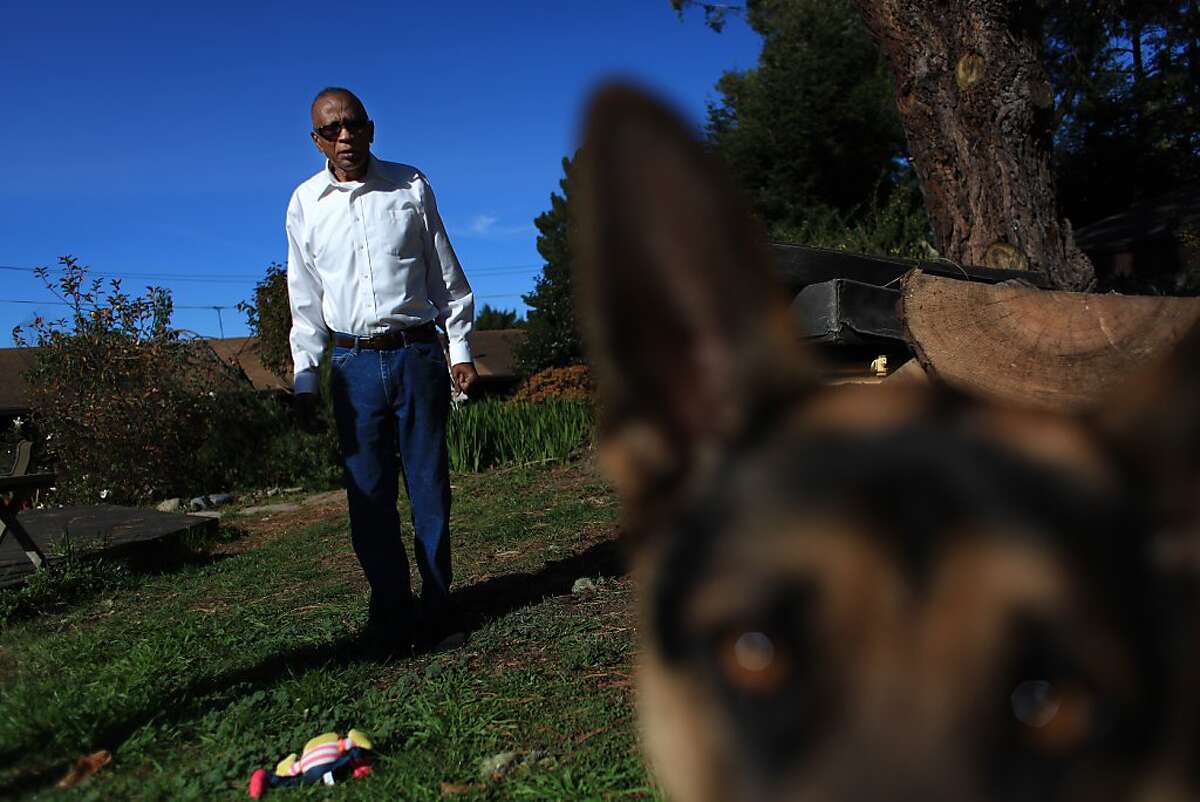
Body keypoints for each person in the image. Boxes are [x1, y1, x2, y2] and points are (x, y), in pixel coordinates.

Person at [285, 87, 477, 655]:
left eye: (353, 124)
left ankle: (438, 607)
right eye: (331, 129)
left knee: (429, 489)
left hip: (417, 355)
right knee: (368, 496)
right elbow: (305, 298)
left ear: (371, 128)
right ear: (315, 140)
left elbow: (445, 275)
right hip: (351, 366)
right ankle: (391, 613)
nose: (344, 137)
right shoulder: (304, 204)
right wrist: (304, 376)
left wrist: (460, 347)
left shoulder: (410, 186)